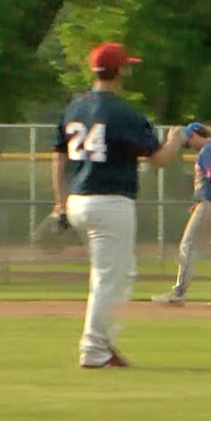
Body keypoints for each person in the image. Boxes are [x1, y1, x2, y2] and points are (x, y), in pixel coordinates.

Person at [52, 42, 183, 368]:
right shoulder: (123, 114)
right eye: (127, 66)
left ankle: (103, 343)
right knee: (109, 277)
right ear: (120, 70)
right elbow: (160, 160)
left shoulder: (74, 108)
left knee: (119, 274)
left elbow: (57, 159)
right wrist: (176, 139)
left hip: (78, 200)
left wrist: (61, 203)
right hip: (110, 203)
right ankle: (94, 350)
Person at [152, 122, 211, 307]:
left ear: (194, 134)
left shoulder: (207, 151)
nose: (189, 145)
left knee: (188, 245)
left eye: (189, 140)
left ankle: (178, 293)